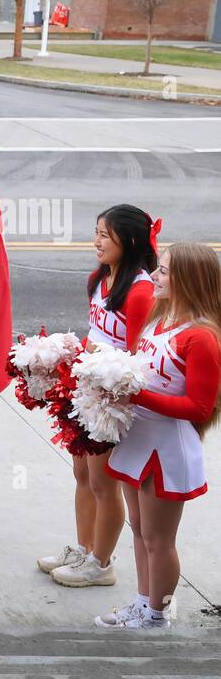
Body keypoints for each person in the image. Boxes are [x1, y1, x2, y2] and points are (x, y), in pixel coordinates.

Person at [100, 243, 221, 629]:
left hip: (167, 447)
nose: (154, 275)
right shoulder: (158, 319)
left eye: (164, 271)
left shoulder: (201, 337)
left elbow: (201, 408)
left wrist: (137, 395)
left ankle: (157, 614)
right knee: (139, 531)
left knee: (158, 539)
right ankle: (142, 602)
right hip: (138, 437)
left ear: (188, 279)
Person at [41, 205, 156, 588]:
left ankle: (101, 563)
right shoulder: (99, 278)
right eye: (97, 233)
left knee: (104, 483)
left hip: (112, 402)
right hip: (86, 392)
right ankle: (83, 548)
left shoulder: (140, 292)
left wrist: (107, 386)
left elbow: (140, 358)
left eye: (104, 235)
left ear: (130, 241)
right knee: (81, 474)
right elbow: (96, 335)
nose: (96, 242)